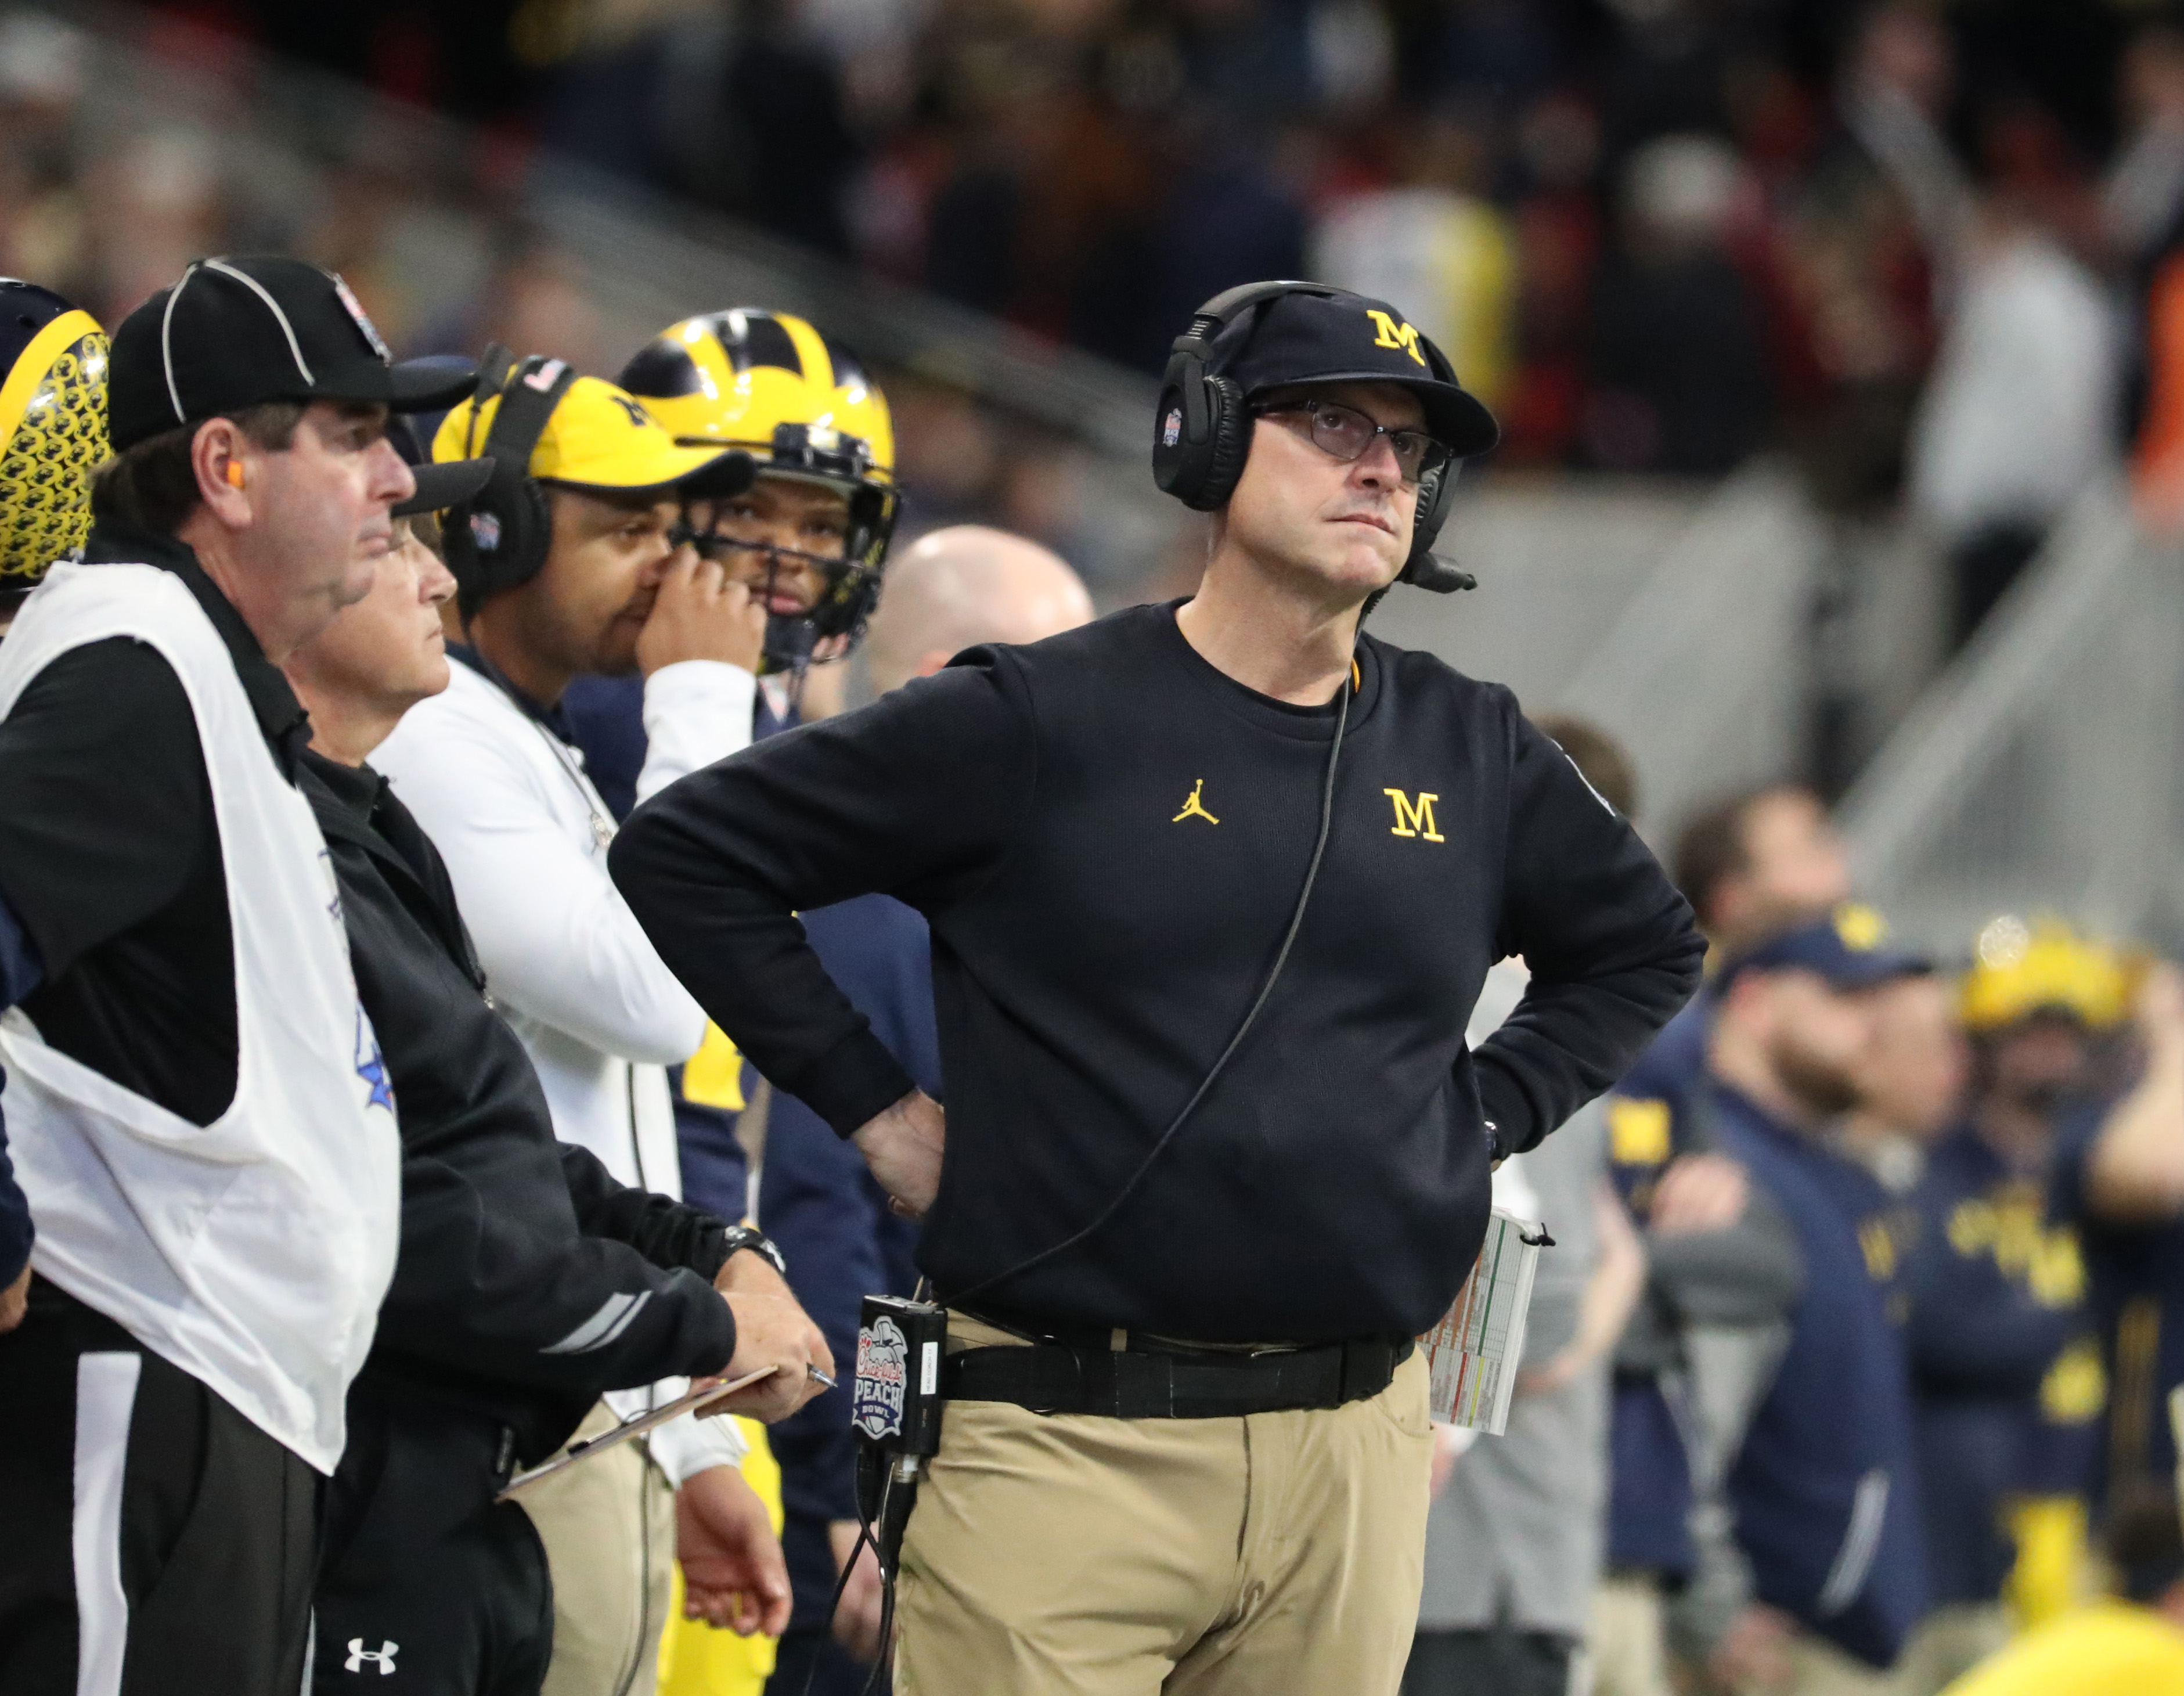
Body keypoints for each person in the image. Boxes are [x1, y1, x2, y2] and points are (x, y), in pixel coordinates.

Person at [611, 280, 1704, 1694]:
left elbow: (1650, 947)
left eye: (1408, 447)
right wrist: (875, 1112)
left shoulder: (1472, 744)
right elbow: (691, 852)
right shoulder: (1039, 715)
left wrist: (1479, 1117)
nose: (1382, 465)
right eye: (1332, 424)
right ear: (1201, 441)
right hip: (1062, 1441)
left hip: (1349, 1454)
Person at [280, 430, 827, 1693]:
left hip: (583, 1382)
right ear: (502, 539)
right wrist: (700, 691)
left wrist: (703, 1310)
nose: (669, 573)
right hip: (454, 1396)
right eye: (627, 534)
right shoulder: (441, 739)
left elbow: (535, 1134)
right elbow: (666, 998)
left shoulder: (491, 759)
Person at [0, 256, 473, 1694]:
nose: (401, 478)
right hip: (138, 1382)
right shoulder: (132, 662)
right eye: (351, 435)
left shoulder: (207, 679)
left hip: (222, 1403)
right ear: (225, 467)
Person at [759, 523, 1094, 1696]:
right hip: (848, 1542)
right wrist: (861, 1497)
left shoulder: (950, 910)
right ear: (943, 695)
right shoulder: (858, 918)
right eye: (1066, 685)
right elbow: (815, 1233)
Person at [1404, 715, 1650, 1696]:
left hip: (1447, 1568)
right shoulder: (1508, 1015)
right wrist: (1620, 1278)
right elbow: (1531, 1313)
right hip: (1476, 1571)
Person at [1595, 783, 1851, 1691]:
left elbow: (1756, 1257)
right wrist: (1631, 1256)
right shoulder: (1632, 1042)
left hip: (1641, 1541)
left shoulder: (1682, 1067)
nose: (1841, 869)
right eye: (1811, 845)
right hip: (1557, 1538)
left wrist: (1626, 1259)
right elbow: (1533, 1291)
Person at [1698, 913, 1934, 1694]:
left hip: (1838, 1630)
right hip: (1765, 1641)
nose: (1877, 1023)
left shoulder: (1824, 1168)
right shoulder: (1717, 1163)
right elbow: (1684, 1408)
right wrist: (1710, 1600)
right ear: (1757, 1000)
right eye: (1845, 994)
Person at [1894, 921, 2122, 1693]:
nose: (2049, 1055)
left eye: (2067, 1034)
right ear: (1984, 1041)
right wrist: (2065, 1316)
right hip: (1964, 1508)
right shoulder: (1933, 1167)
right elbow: (1940, 1330)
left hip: (2087, 1501)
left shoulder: (2103, 1173)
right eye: (2030, 1033)